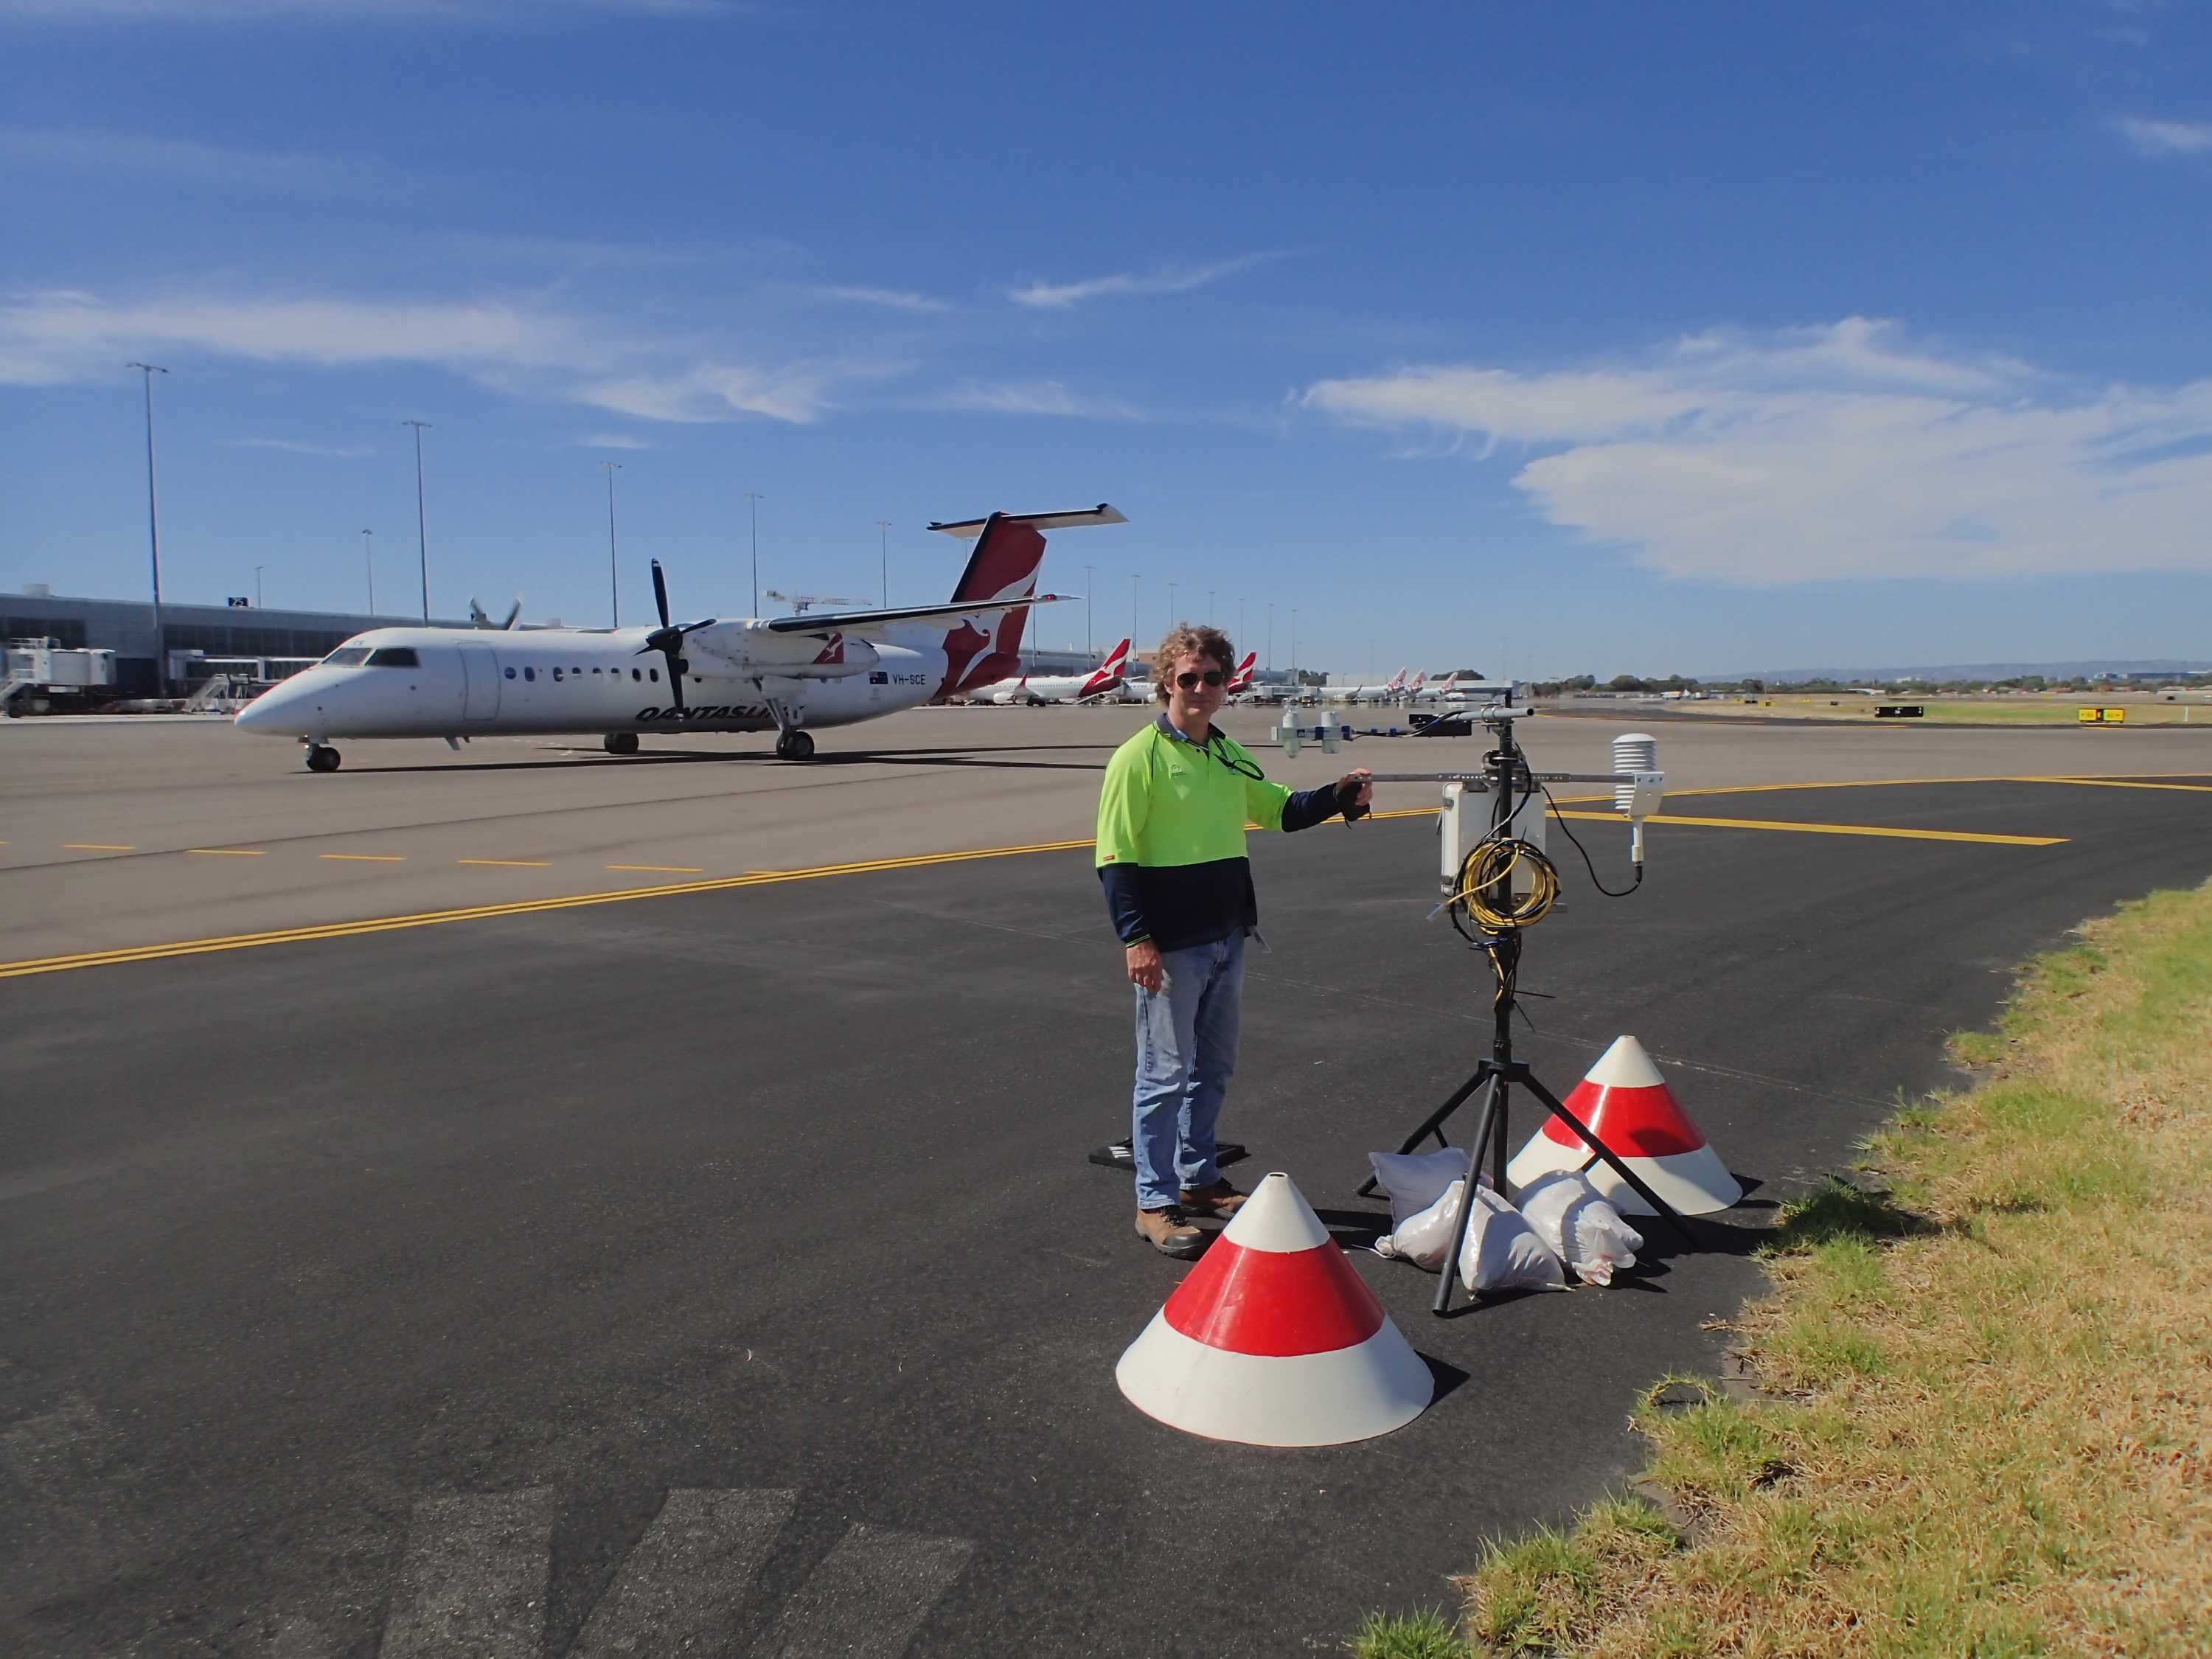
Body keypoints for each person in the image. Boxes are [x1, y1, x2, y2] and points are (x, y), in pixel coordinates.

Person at [1094, 625, 1372, 1257]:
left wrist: (1338, 795)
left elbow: (1280, 809)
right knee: (1164, 1073)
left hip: (1227, 937)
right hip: (1170, 946)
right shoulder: (1138, 757)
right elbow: (1115, 857)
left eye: (1211, 677)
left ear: (1227, 683)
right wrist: (1136, 939)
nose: (1198, 688)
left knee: (1212, 1068)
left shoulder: (1225, 753)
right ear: (1166, 682)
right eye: (1186, 677)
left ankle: (1198, 1179)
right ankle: (1155, 1201)